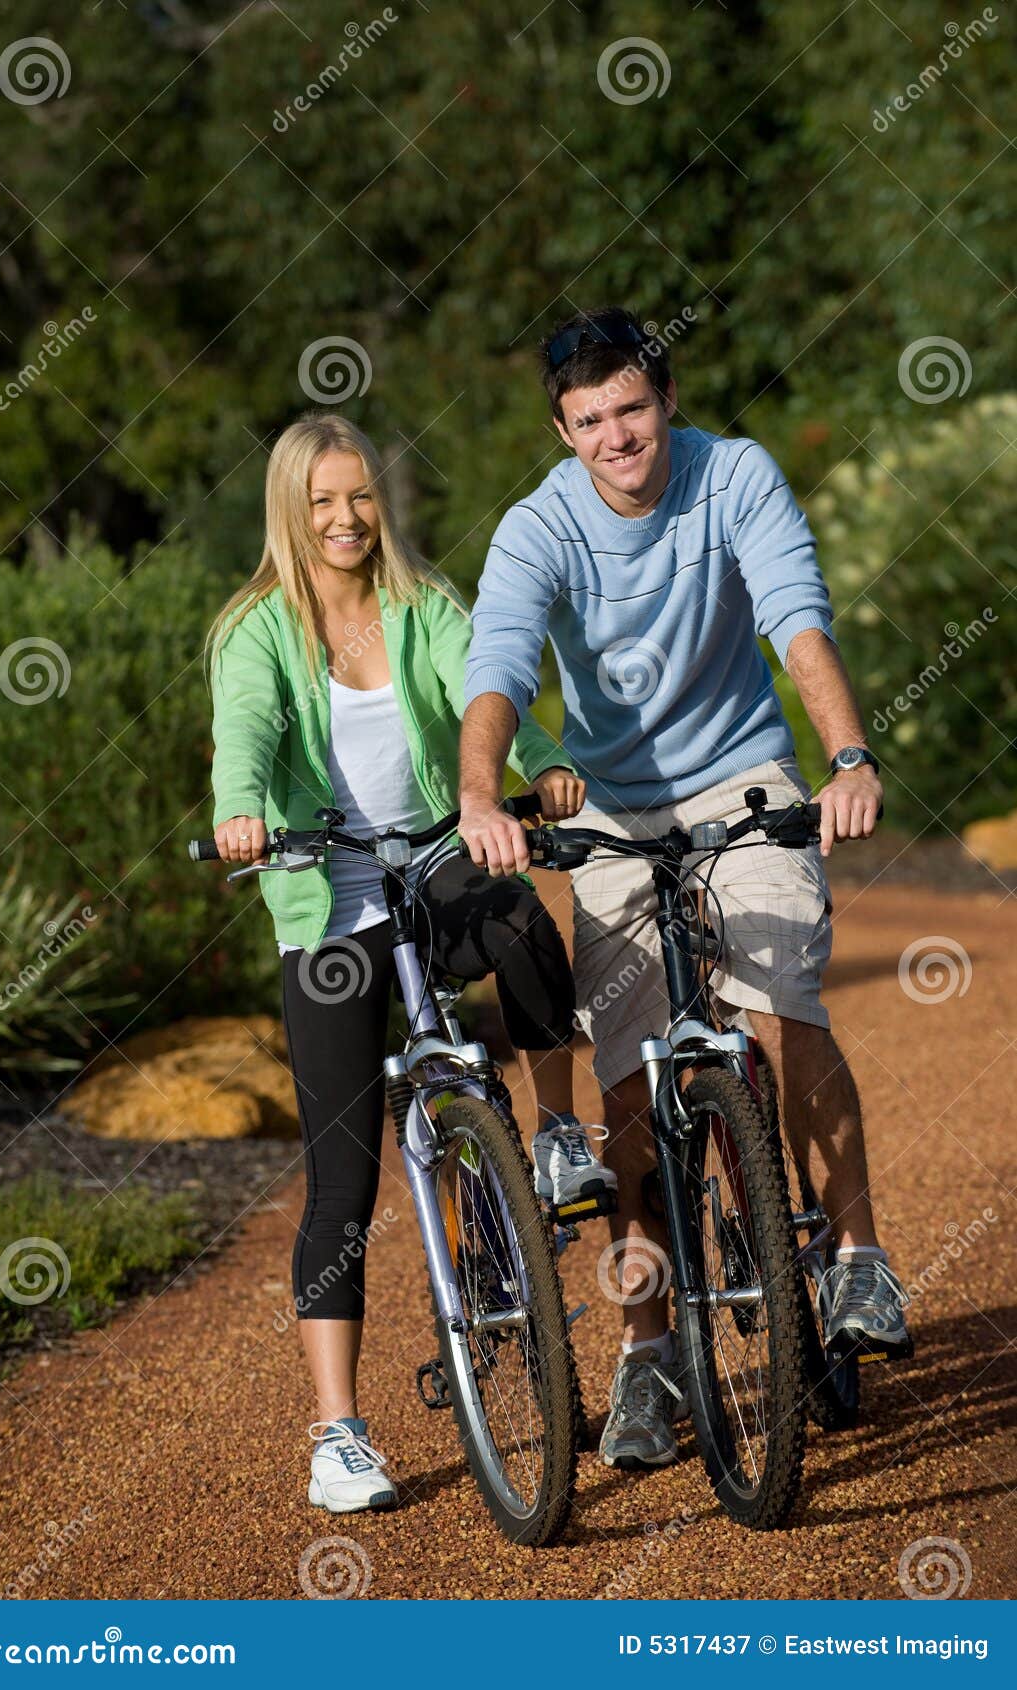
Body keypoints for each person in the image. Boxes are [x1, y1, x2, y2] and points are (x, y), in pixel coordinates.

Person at [458, 306, 912, 1472]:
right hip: (615, 806)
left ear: (667, 401)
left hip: (744, 774)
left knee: (784, 1003)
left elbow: (795, 615)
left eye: (632, 409)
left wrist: (849, 756)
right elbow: (498, 662)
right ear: (563, 432)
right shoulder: (538, 527)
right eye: (589, 420)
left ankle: (857, 1257)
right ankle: (648, 1349)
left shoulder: (734, 476)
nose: (616, 436)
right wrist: (479, 797)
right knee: (626, 1084)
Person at [205, 412, 616, 1514]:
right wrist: (240, 810)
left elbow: (486, 691)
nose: (345, 519)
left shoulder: (423, 603)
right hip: (325, 896)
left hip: (429, 858)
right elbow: (244, 729)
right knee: (341, 1180)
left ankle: (558, 1135)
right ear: (291, 512)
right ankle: (338, 1434)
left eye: (360, 496)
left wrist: (541, 763)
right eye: (322, 501)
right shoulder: (256, 631)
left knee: (521, 922)